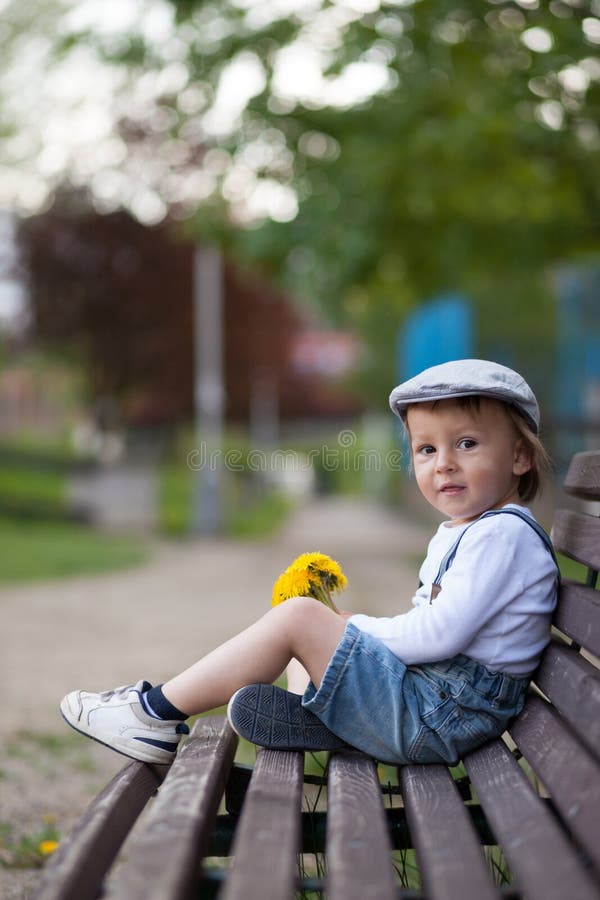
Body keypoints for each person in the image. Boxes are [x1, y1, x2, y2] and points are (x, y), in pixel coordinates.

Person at [60, 359, 558, 766]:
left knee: (301, 618)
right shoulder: (470, 531)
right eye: (426, 449)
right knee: (312, 625)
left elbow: (439, 636)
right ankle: (314, 713)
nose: (443, 462)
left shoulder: (502, 535)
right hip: (438, 705)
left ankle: (153, 714)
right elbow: (432, 630)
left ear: (520, 456)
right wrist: (345, 631)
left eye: (466, 444)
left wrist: (351, 629)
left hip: (440, 716)